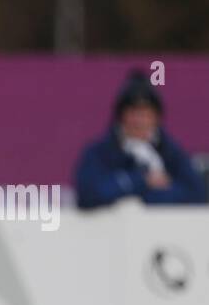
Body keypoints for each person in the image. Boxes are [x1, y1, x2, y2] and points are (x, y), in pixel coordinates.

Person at [74, 71, 207, 210]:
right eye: (133, 113)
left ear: (156, 118)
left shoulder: (171, 152)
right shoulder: (100, 153)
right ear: (121, 116)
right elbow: (88, 195)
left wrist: (145, 196)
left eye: (145, 114)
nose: (139, 121)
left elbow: (197, 195)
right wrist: (142, 181)